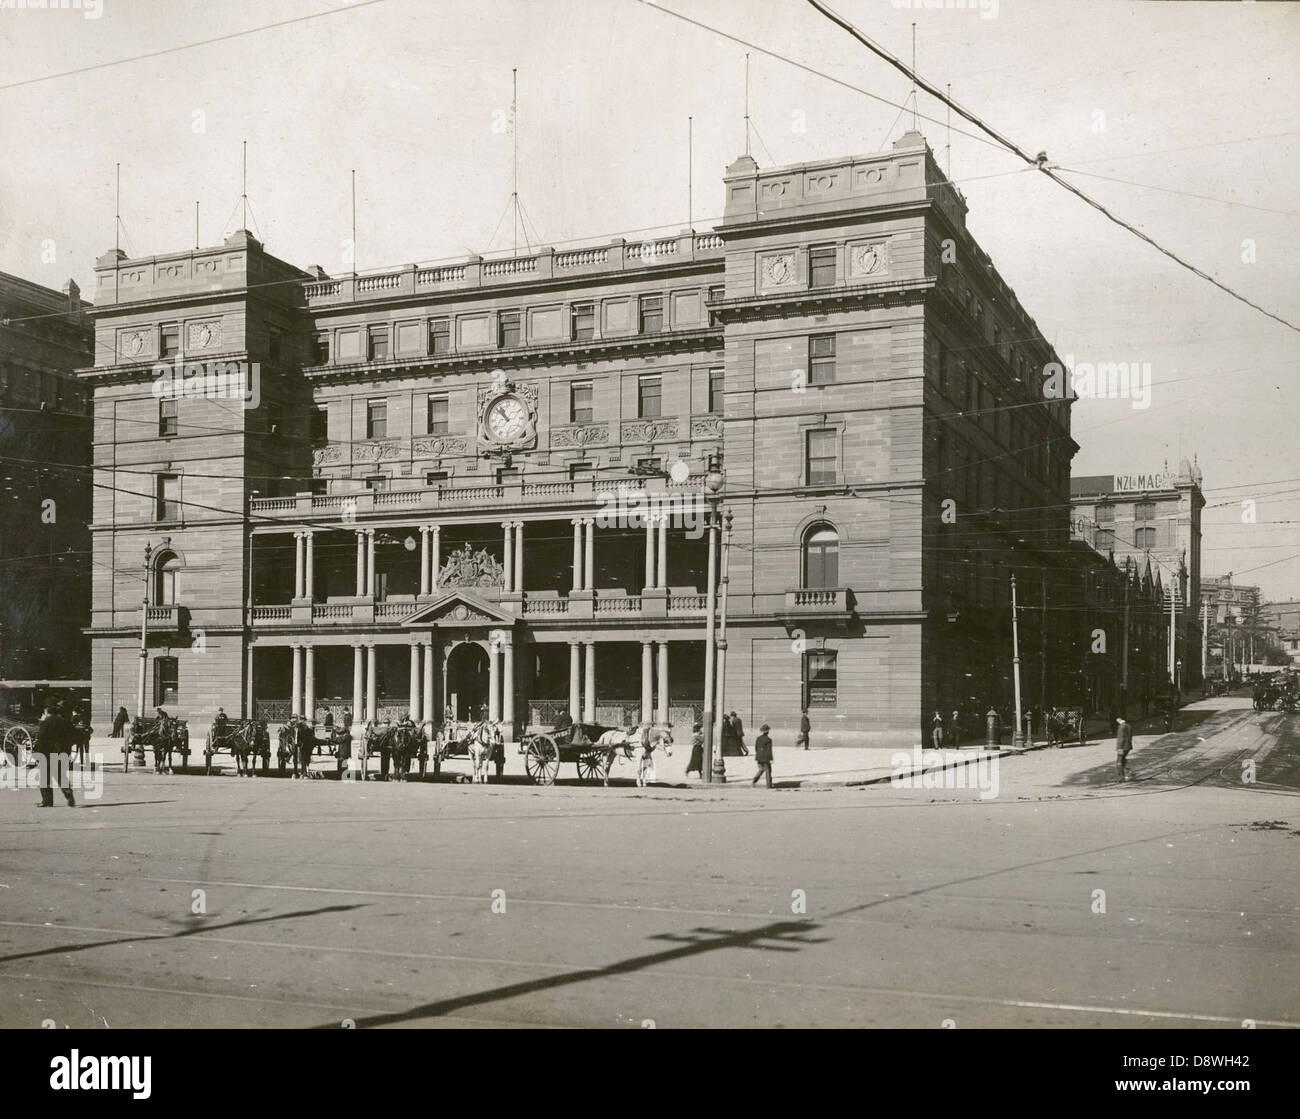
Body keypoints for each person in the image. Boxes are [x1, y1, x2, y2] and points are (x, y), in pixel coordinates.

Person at [35, 703, 75, 808]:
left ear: (47, 712)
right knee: (60, 775)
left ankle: (47, 801)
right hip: (62, 753)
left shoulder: (45, 723)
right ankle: (67, 791)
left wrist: (37, 754)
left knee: (44, 777)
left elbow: (41, 740)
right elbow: (74, 737)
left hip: (47, 753)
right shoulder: (65, 722)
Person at [752, 723, 773, 788]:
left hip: (758, 756)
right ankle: (768, 785)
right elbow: (769, 750)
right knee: (768, 770)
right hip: (765, 757)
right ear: (768, 731)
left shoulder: (758, 738)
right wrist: (771, 759)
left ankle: (754, 780)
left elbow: (756, 748)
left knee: (761, 769)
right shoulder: (769, 739)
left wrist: (758, 754)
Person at [1115, 716, 1133, 782]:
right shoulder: (1129, 726)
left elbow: (1121, 738)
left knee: (1119, 762)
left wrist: (1119, 748)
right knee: (1123, 759)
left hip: (1122, 747)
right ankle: (1130, 771)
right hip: (1128, 746)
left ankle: (1121, 778)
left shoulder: (1121, 727)